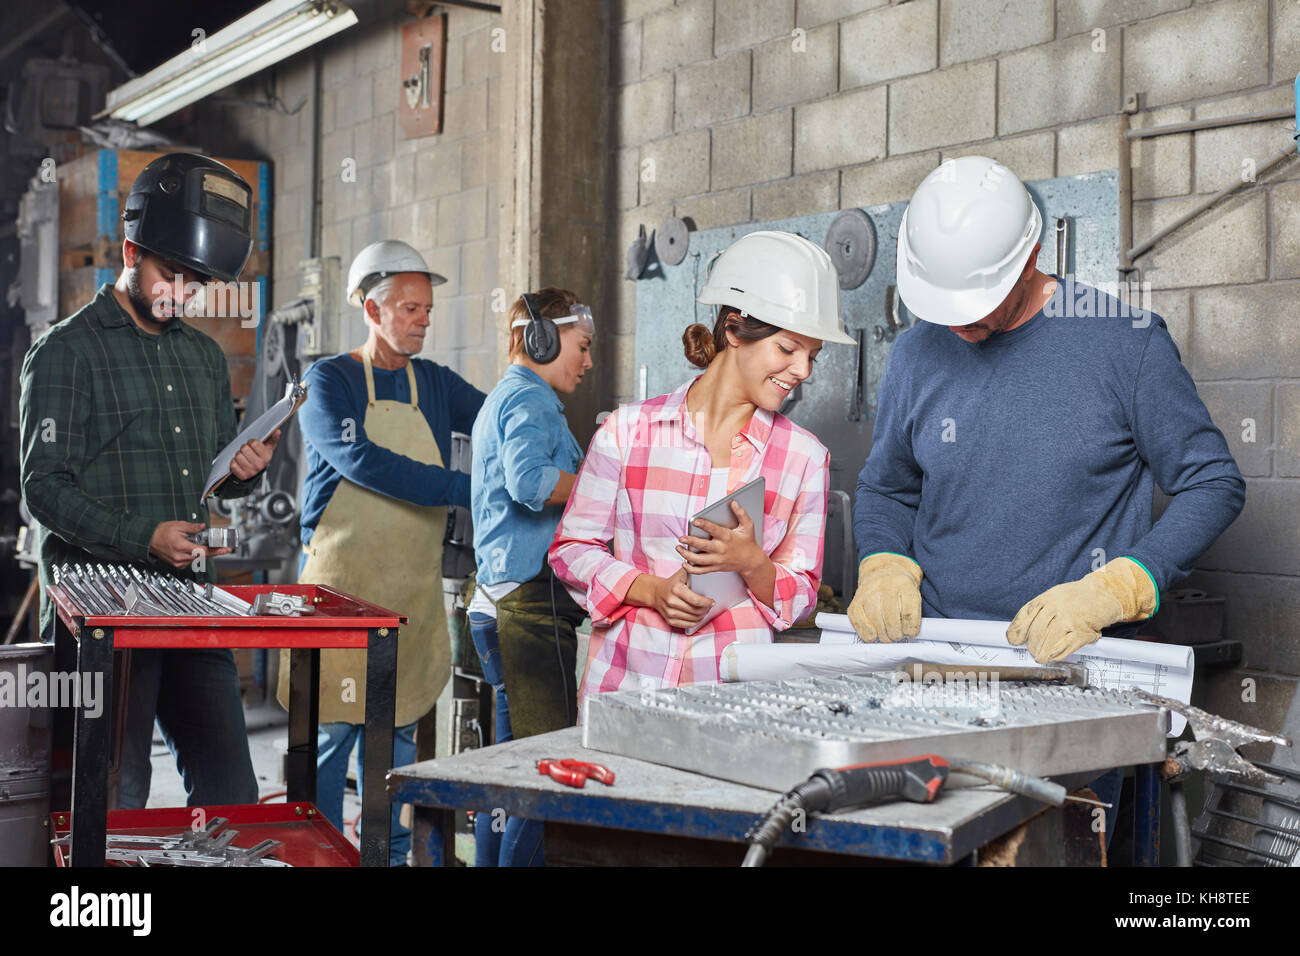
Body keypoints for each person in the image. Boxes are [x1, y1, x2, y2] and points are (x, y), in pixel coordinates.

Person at [849, 155, 1245, 838]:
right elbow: (886, 486)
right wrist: (883, 558)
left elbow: (1213, 483)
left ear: (1031, 255)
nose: (959, 328)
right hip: (934, 668)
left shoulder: (1127, 344)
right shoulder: (915, 354)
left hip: (1073, 680)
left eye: (976, 307)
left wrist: (1122, 585)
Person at [19, 152, 278, 809]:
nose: (180, 294)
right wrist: (145, 538)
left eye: (195, 283)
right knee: (112, 799)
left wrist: (244, 471)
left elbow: (215, 481)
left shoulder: (202, 357)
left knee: (232, 796)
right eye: (170, 274)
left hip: (193, 609)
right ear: (130, 250)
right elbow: (43, 489)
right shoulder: (65, 353)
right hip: (101, 622)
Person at [550, 230, 852, 705]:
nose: (804, 371)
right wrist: (649, 590)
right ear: (734, 330)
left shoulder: (805, 459)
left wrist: (753, 564)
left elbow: (802, 596)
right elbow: (571, 549)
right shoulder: (628, 432)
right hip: (625, 690)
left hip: (731, 702)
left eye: (812, 355)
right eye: (788, 349)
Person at [276, 239, 485, 865]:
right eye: (412, 308)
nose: (425, 318)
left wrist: (547, 414)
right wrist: (463, 489)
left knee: (392, 742)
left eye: (427, 308)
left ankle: (388, 855)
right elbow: (361, 461)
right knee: (328, 731)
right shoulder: (328, 380)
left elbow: (498, 420)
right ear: (373, 309)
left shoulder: (436, 383)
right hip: (340, 590)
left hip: (407, 595)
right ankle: (306, 851)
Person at [467, 287, 593, 867]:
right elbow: (530, 482)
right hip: (528, 609)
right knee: (548, 774)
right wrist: (604, 492)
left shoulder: (508, 397)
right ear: (543, 338)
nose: (588, 362)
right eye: (582, 346)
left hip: (497, 602)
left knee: (511, 770)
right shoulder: (531, 399)